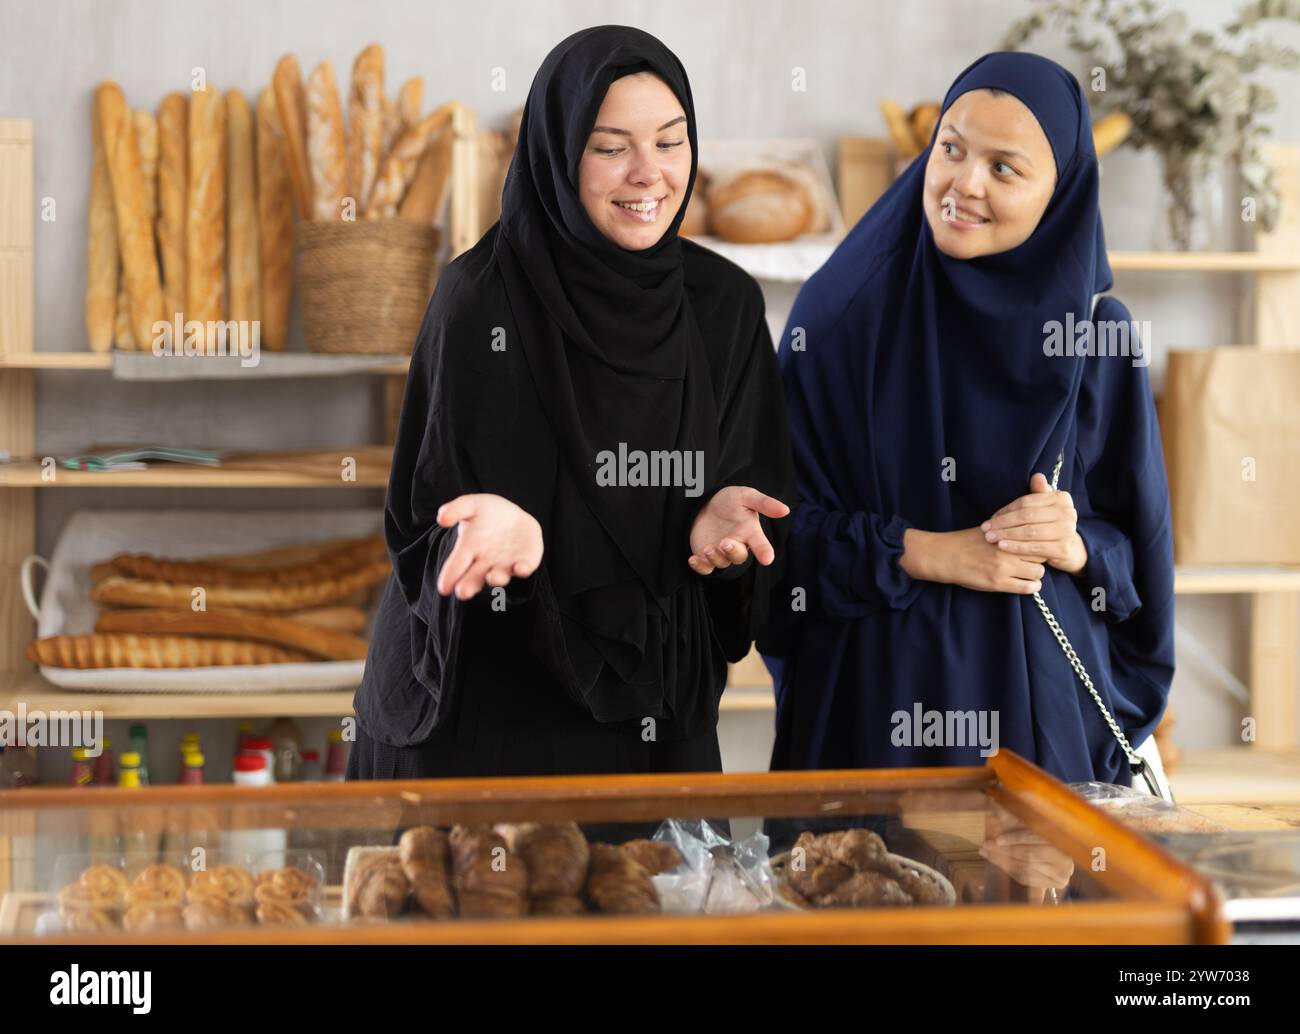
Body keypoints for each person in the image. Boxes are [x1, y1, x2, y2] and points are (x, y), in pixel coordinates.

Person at [348, 25, 793, 782]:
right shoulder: (479, 298)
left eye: (671, 141)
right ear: (558, 153)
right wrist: (487, 535)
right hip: (489, 711)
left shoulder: (722, 306)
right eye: (610, 145)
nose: (648, 174)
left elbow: (753, 532)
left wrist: (724, 533)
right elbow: (423, 524)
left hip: (654, 716)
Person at [760, 52, 1174, 790]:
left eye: (1005, 168)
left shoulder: (1096, 338)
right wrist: (927, 552)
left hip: (1042, 732)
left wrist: (1075, 545)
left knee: (1035, 900)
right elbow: (776, 547)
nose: (964, 184)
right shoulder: (842, 319)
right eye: (949, 148)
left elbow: (1138, 555)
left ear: (1063, 192)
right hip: (871, 719)